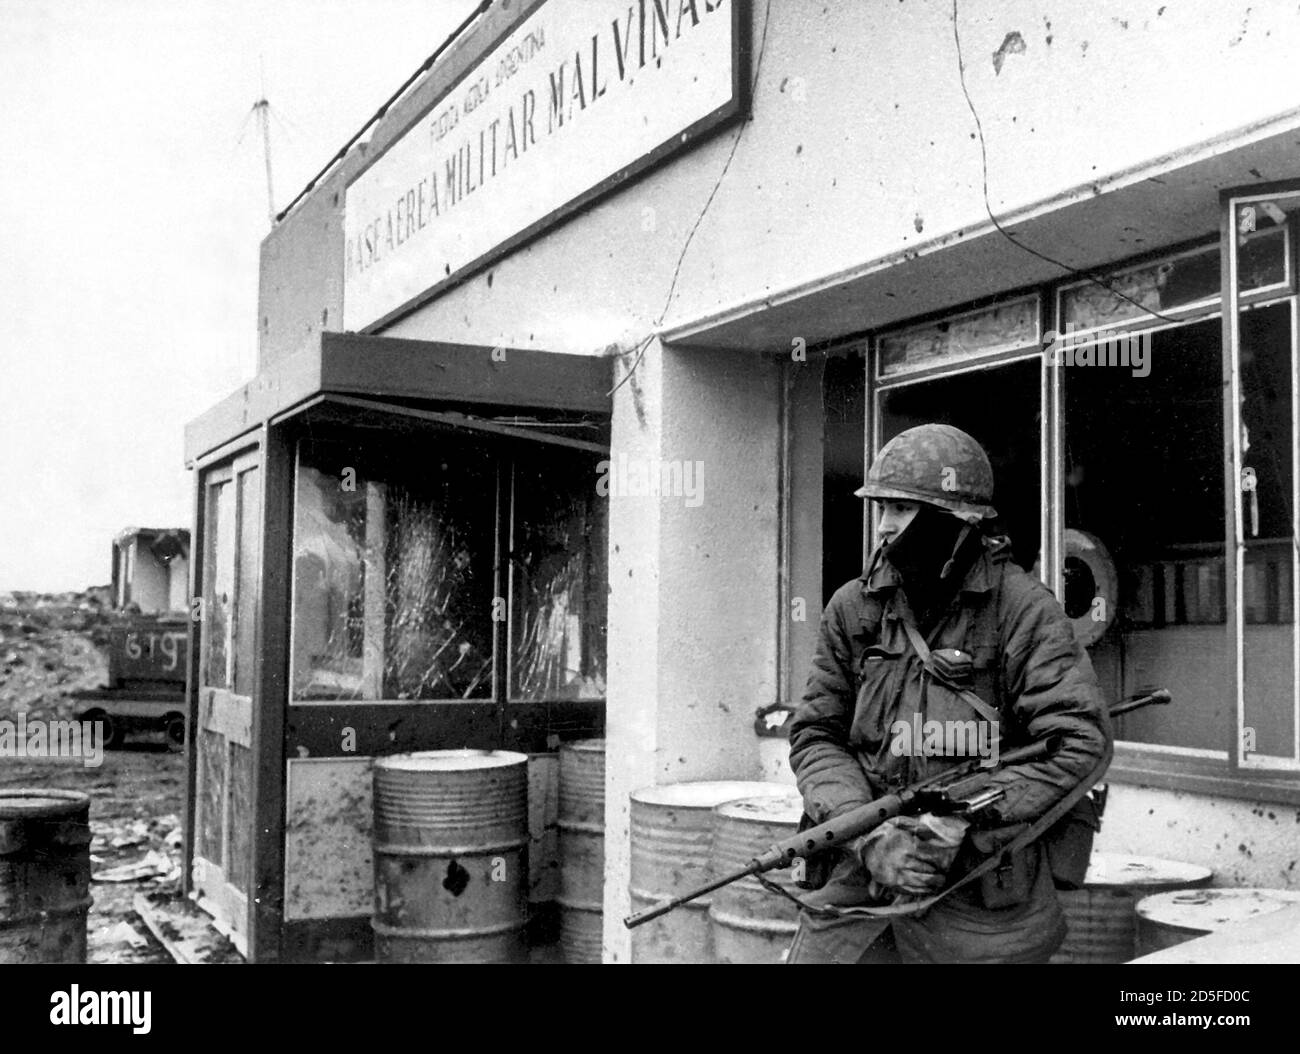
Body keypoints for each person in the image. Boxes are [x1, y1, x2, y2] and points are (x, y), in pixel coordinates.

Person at [786, 422, 1111, 964]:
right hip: (858, 893)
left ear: (958, 521)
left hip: (979, 901)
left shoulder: (1023, 611)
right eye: (881, 509)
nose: (884, 529)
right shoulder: (855, 607)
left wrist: (958, 818)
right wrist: (866, 836)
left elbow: (1077, 741)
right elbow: (817, 734)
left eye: (901, 510)